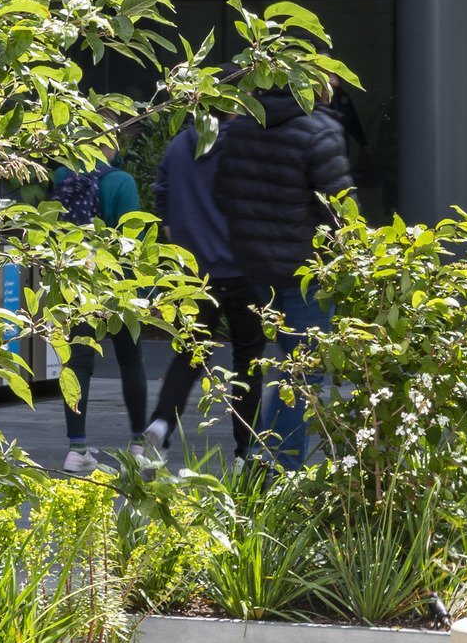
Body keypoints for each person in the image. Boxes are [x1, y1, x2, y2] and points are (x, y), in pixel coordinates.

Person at [215, 84, 358, 464]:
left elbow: (223, 192)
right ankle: (279, 467)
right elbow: (342, 208)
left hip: (255, 267)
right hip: (303, 269)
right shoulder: (319, 129)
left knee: (290, 366)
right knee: (303, 372)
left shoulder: (244, 123)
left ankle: (266, 461)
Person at [147, 120, 262, 461]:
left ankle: (160, 423)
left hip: (194, 271)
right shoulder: (247, 143)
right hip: (244, 267)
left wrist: (180, 240)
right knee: (248, 362)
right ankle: (246, 454)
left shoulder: (180, 144)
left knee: (190, 353)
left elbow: (162, 195)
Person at [54, 159, 150, 473]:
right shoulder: (121, 181)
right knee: (130, 359)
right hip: (118, 284)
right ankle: (138, 445)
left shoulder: (61, 176)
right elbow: (134, 242)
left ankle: (76, 448)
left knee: (77, 363)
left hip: (78, 283)